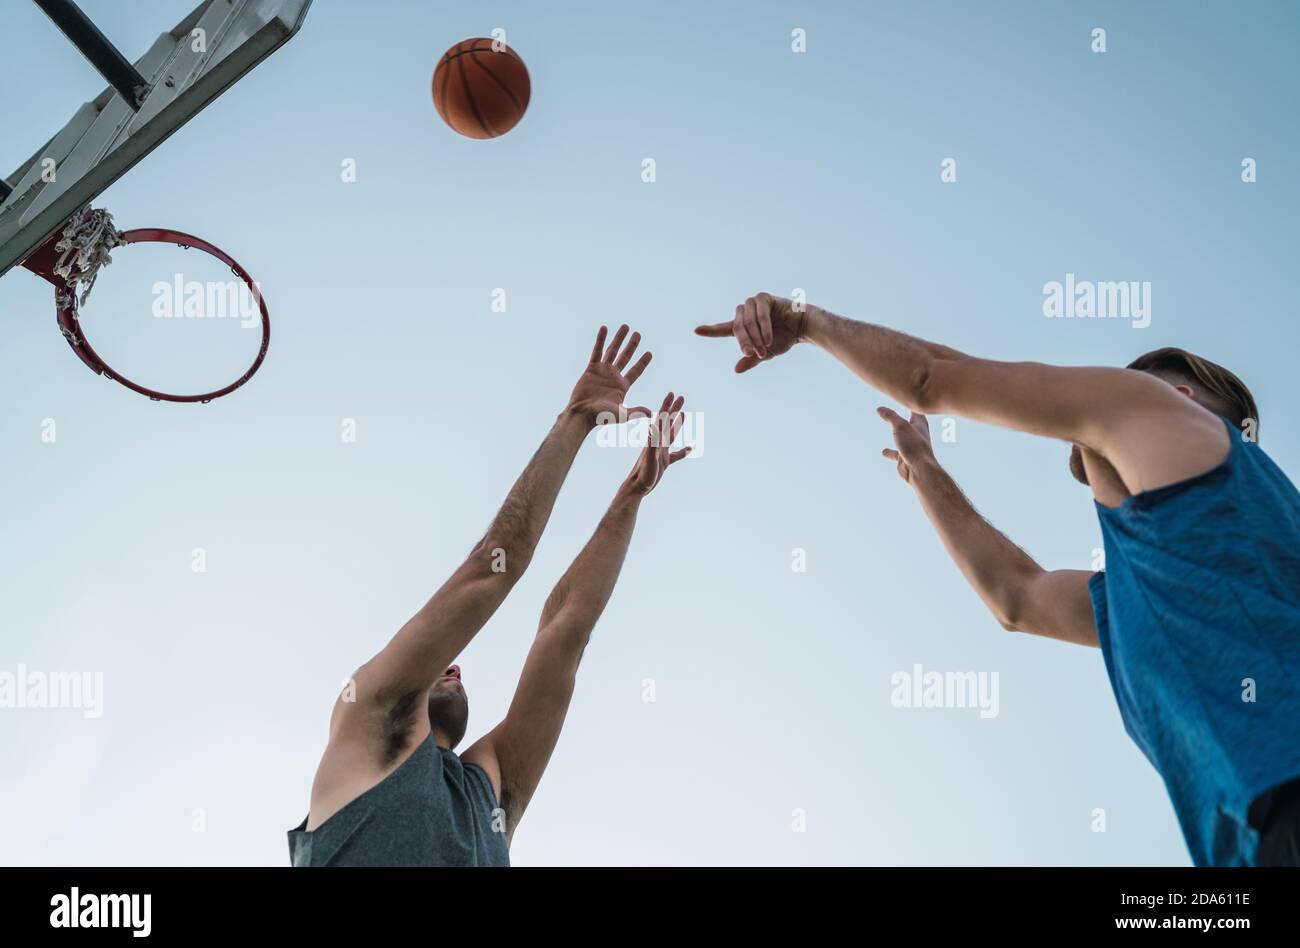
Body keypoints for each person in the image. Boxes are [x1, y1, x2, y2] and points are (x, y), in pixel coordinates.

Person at [697, 293, 1300, 866]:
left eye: (1124, 378)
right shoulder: (1168, 580)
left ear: (1178, 394)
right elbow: (1016, 596)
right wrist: (927, 472)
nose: (1094, 393)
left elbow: (931, 378)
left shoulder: (1159, 415)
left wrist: (803, 320)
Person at [289, 325, 691, 865]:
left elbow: (566, 633)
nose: (453, 665)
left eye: (452, 666)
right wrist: (574, 422)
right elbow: (494, 566)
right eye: (439, 666)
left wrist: (630, 498)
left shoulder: (492, 793)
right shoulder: (371, 717)